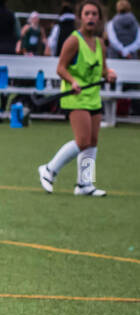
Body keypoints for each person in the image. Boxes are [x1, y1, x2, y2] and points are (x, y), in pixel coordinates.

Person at [38, 0, 116, 197]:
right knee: (82, 141)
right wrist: (72, 81)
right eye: (87, 13)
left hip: (92, 97)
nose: (91, 17)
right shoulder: (73, 41)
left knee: (92, 141)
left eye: (94, 14)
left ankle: (84, 184)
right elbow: (60, 68)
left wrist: (109, 74)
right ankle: (49, 169)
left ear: (99, 18)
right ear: (81, 17)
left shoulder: (100, 44)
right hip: (75, 97)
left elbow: (103, 69)